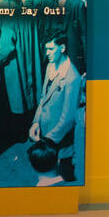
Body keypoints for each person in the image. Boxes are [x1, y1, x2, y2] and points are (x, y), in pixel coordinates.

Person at [30, 35, 81, 181]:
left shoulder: (72, 78)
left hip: (58, 143)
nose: (47, 53)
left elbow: (68, 120)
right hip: (45, 135)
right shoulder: (50, 67)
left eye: (51, 49)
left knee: (60, 180)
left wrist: (45, 143)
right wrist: (35, 122)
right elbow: (43, 99)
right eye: (46, 49)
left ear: (63, 48)